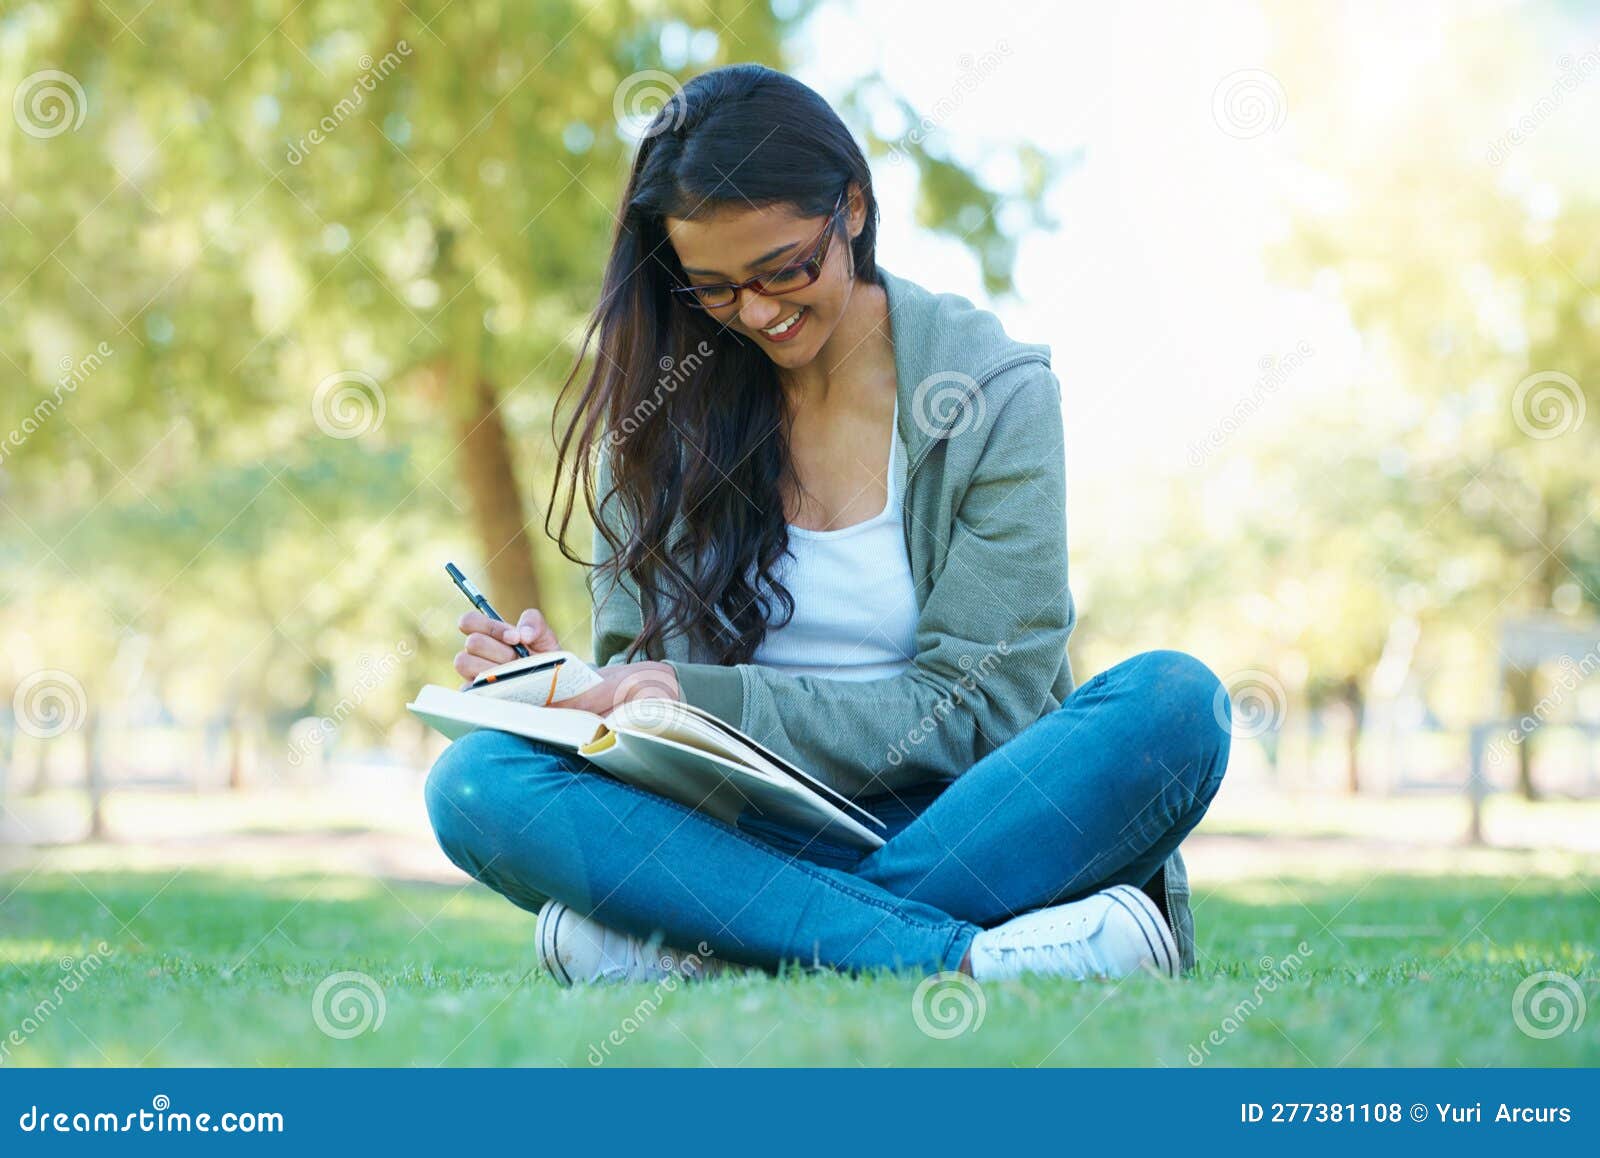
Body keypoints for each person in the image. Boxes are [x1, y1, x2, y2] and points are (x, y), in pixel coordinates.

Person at [425, 63, 1230, 986]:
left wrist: (702, 700)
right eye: (716, 290)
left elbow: (986, 705)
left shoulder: (991, 394)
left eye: (785, 270)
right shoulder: (654, 432)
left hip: (970, 817)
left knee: (1177, 702)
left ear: (850, 207)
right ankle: (966, 956)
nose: (758, 312)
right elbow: (651, 726)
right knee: (476, 783)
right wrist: (569, 692)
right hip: (744, 827)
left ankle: (728, 940)